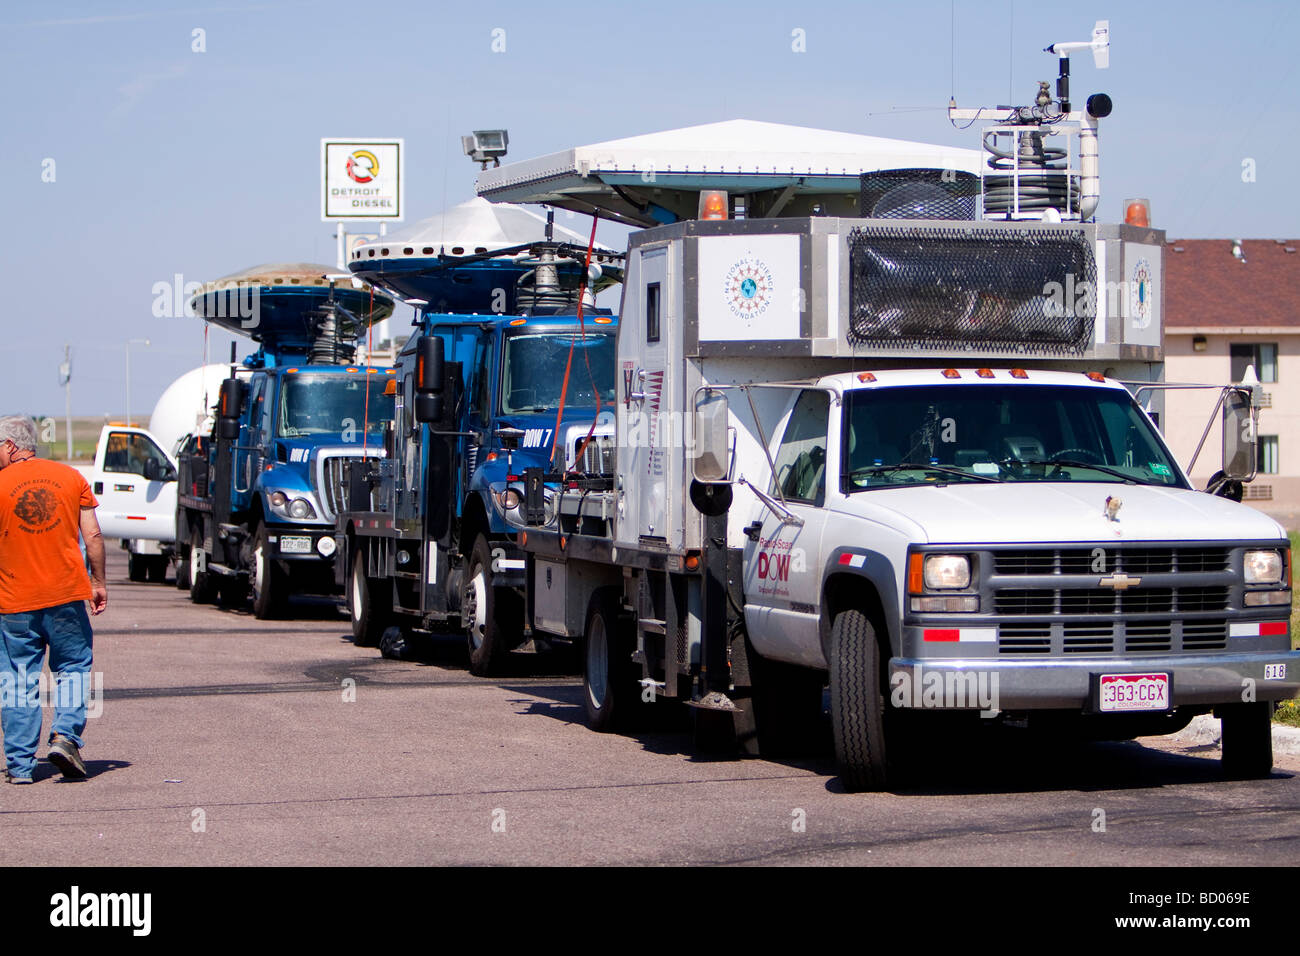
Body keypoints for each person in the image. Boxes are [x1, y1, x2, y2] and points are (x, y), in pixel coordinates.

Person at [0, 416, 107, 784]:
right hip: (66, 597)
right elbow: (92, 534)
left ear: (11, 446)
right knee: (74, 666)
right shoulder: (71, 478)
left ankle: (19, 766)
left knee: (17, 679)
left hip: (14, 603)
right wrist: (98, 581)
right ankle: (65, 736)